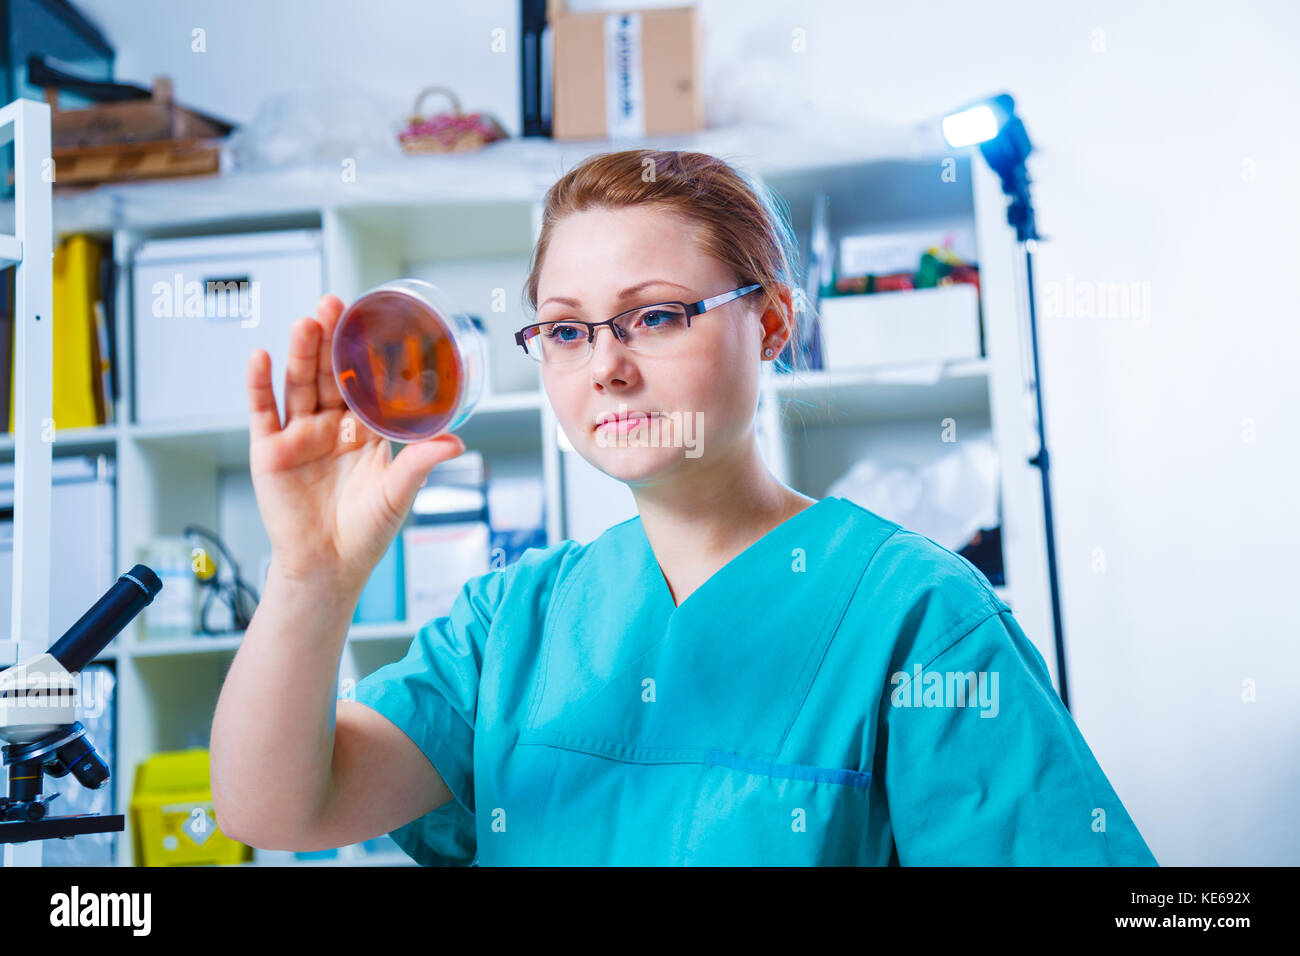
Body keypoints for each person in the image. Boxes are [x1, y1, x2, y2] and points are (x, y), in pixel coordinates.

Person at [212, 148, 1158, 867]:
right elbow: (276, 810)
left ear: (773, 323)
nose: (608, 366)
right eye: (569, 329)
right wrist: (311, 577)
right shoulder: (511, 628)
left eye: (656, 316)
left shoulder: (913, 616)